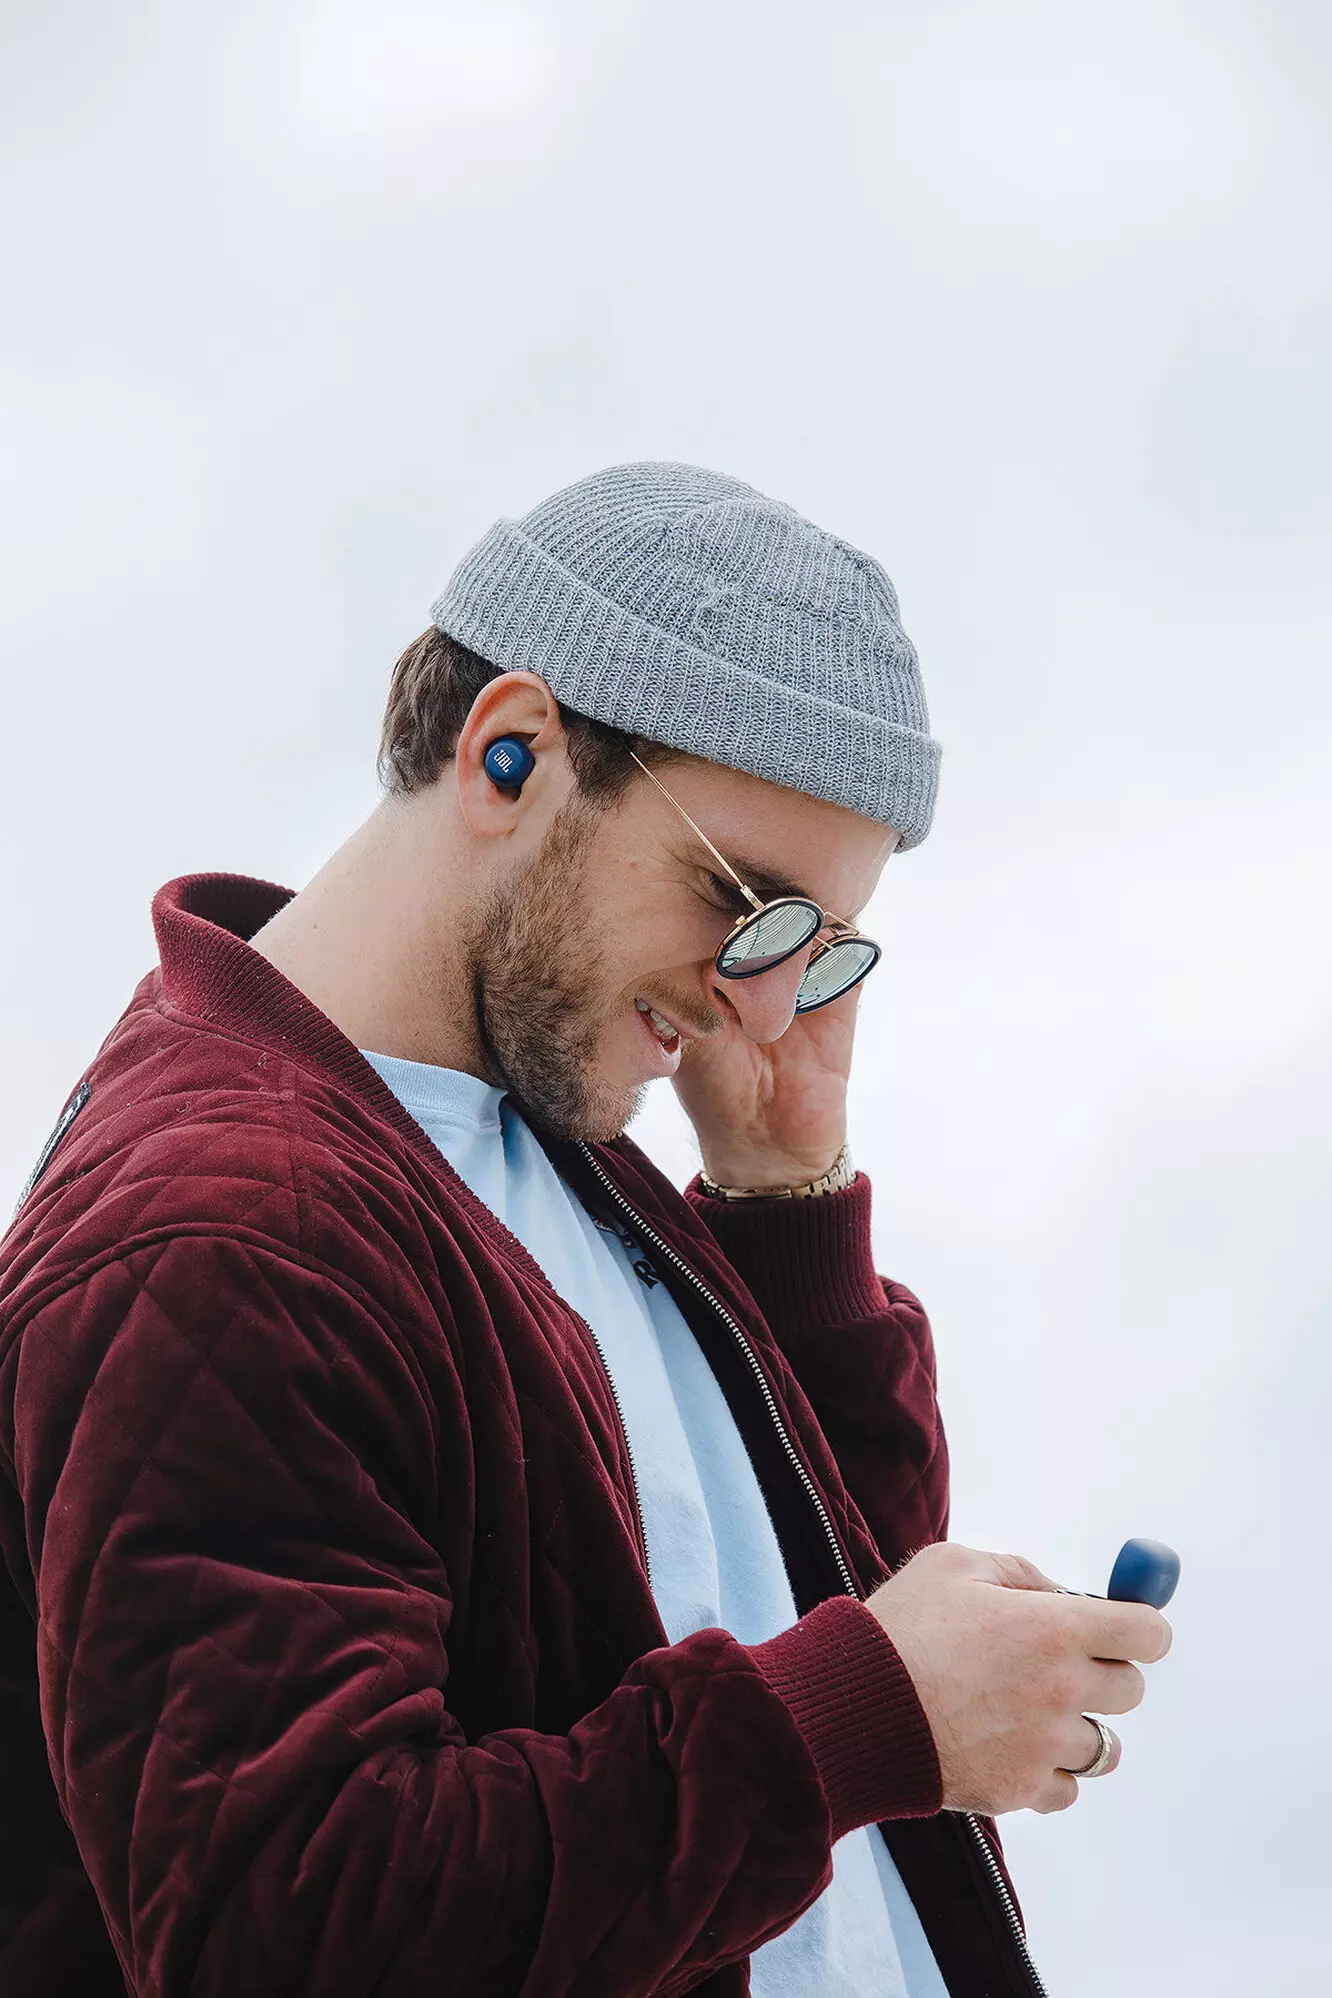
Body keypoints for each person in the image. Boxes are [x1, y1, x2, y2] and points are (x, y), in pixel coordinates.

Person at [0, 462, 1170, 1998]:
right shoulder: (223, 1230)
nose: (761, 997)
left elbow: (803, 1617)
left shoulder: (549, 1140)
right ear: (512, 752)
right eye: (742, 904)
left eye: (818, 950)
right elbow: (287, 1927)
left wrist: (784, 1202)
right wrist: (864, 1712)